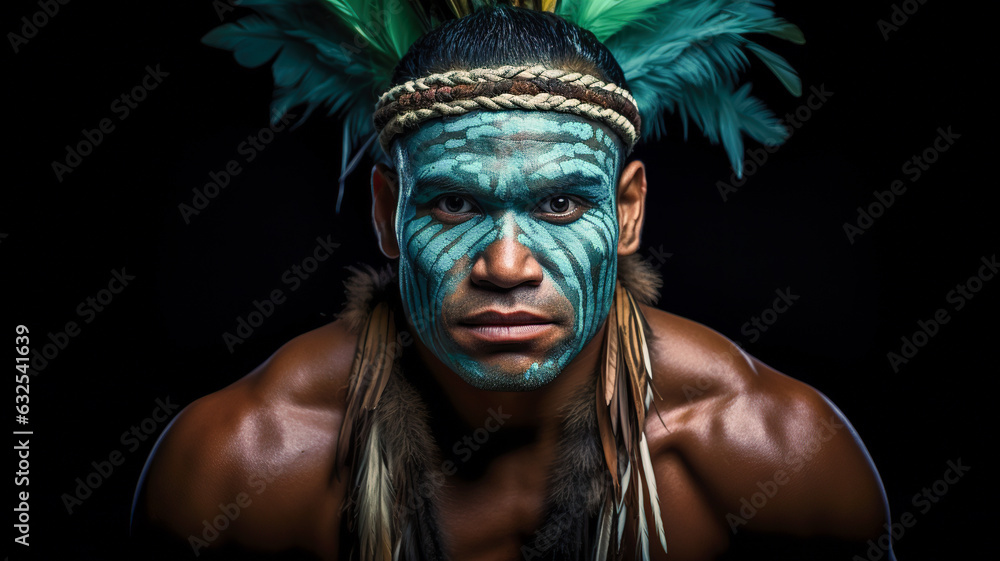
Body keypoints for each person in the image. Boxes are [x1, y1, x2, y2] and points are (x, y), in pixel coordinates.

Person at [132, 2, 895, 560]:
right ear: (389, 210)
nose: (505, 265)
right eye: (455, 201)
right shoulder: (238, 465)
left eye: (560, 203)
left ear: (628, 211)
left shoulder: (773, 449)